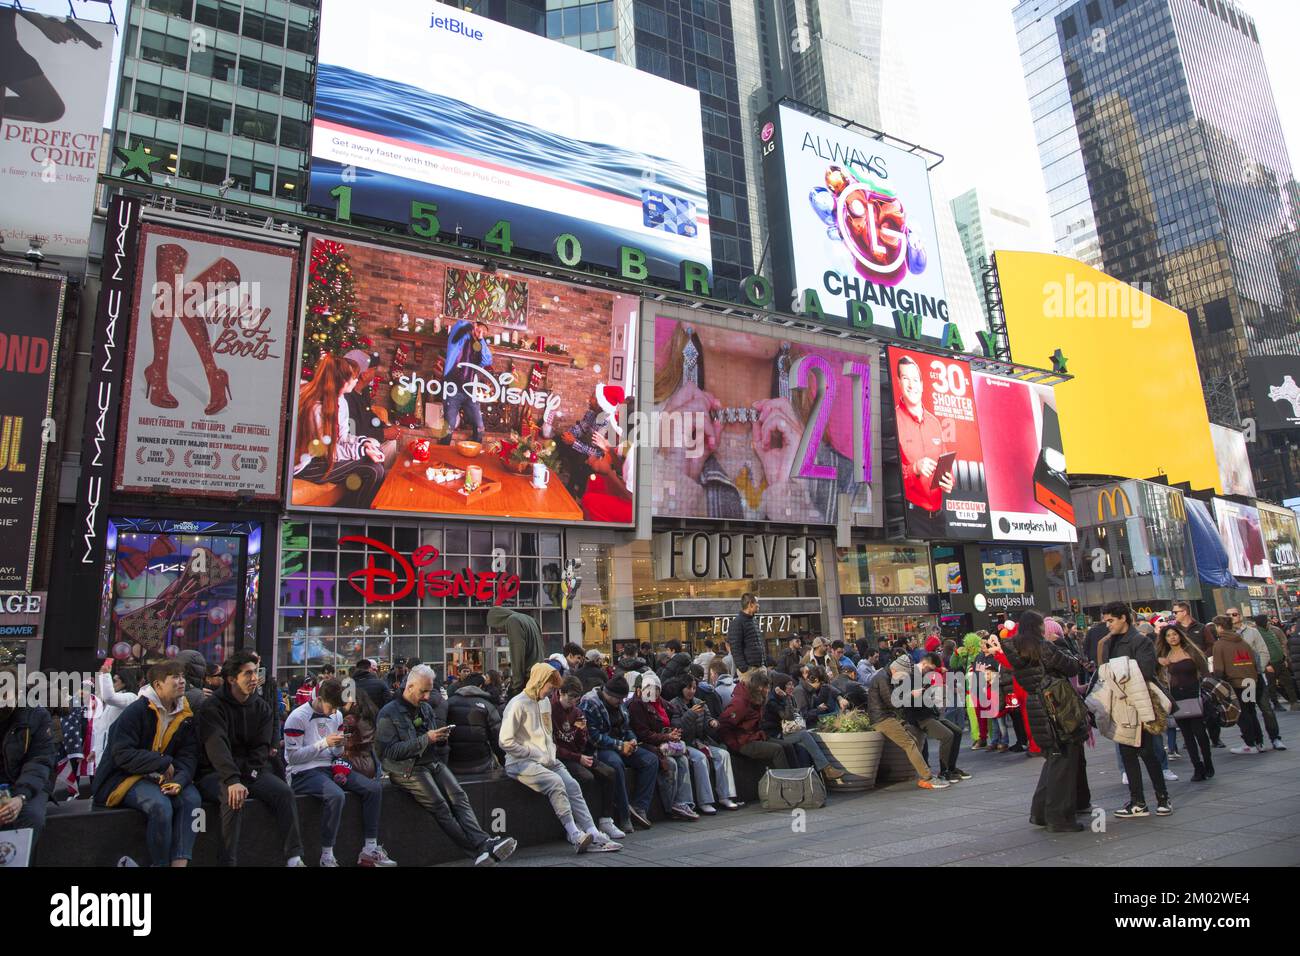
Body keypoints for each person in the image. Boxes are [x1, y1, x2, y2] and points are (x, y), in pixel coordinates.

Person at [377, 664, 517, 866]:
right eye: (423, 691)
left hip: (431, 761)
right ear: (409, 687)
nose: (427, 697)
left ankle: (484, 843)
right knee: (441, 806)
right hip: (406, 769)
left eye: (429, 691)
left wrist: (441, 738)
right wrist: (427, 739)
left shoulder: (425, 708)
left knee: (459, 797)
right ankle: (478, 849)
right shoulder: (389, 712)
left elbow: (433, 739)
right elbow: (388, 752)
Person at [196, 650, 305, 866]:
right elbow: (217, 747)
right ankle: (228, 862)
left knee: (284, 793)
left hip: (250, 771)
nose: (254, 678)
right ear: (231, 678)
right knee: (233, 799)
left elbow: (261, 748)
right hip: (217, 771)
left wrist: (247, 775)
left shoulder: (261, 707)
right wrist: (233, 780)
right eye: (247, 674)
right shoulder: (212, 707)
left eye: (255, 672)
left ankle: (294, 857)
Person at [501, 664, 620, 853]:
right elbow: (505, 741)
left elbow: (548, 734)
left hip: (547, 759)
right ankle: (574, 833)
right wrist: (533, 753)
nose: (552, 692)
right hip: (520, 762)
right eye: (550, 687)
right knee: (556, 783)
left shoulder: (545, 702)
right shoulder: (517, 704)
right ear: (540, 683)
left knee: (572, 785)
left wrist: (548, 753)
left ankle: (591, 830)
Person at [91, 661, 200, 867]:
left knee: (192, 799)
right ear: (158, 685)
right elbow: (122, 754)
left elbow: (189, 755)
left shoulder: (186, 715)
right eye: (174, 677)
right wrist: (160, 762)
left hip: (162, 777)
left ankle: (180, 861)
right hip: (123, 778)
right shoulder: (137, 710)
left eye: (182, 676)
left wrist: (180, 780)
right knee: (160, 806)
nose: (182, 681)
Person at [284, 677, 395, 867]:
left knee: (374, 789)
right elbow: (293, 758)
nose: (335, 712)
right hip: (303, 771)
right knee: (336, 796)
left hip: (330, 765)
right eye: (332, 707)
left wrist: (338, 746)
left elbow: (336, 752)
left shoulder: (336, 716)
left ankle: (370, 848)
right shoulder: (297, 716)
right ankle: (327, 856)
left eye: (338, 708)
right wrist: (324, 743)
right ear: (320, 699)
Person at [997, 614, 1087, 832]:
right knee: (1063, 760)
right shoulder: (1044, 647)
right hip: (1056, 705)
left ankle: (1040, 813)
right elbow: (1072, 667)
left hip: (1036, 705)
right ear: (1038, 627)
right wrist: (1062, 643)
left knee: (1054, 759)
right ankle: (1059, 818)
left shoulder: (1015, 649)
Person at [1095, 603, 1171, 819]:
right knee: (1127, 754)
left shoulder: (1140, 641)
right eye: (1106, 621)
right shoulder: (1109, 643)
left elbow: (1146, 671)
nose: (1107, 625)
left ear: (1123, 619)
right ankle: (1138, 801)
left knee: (1148, 752)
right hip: (1121, 705)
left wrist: (1116, 672)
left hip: (1141, 702)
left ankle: (1162, 798)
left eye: (1111, 620)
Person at [293, 353, 385, 508]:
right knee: (373, 470)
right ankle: (354, 518)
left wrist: (364, 443)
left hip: (325, 456)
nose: (357, 379)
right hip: (309, 464)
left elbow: (342, 436)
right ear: (343, 381)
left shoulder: (341, 401)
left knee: (375, 461)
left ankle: (353, 509)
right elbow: (326, 451)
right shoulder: (316, 409)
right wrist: (361, 451)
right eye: (354, 377)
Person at [552, 676, 630, 839]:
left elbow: (582, 742)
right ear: (561, 693)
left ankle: (606, 819)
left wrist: (582, 732)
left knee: (609, 773)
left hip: (578, 754)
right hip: (561, 757)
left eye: (576, 699)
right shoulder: (551, 710)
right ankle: (578, 823)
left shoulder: (577, 712)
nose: (573, 702)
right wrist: (577, 757)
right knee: (585, 778)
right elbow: (553, 747)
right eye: (570, 698)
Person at [580, 676, 658, 830]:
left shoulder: (620, 704)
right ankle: (624, 814)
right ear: (609, 694)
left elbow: (626, 727)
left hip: (622, 743)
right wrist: (620, 745)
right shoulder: (590, 703)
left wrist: (632, 740)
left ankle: (640, 807)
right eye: (619, 699)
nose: (622, 702)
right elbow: (593, 737)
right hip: (600, 748)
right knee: (616, 764)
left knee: (651, 760)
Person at [894, 352, 956, 537]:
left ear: (922, 384)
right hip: (913, 516)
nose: (911, 385)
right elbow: (889, 474)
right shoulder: (894, 419)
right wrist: (914, 468)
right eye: (906, 379)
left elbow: (944, 463)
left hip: (939, 516)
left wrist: (948, 481)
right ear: (899, 382)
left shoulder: (934, 423)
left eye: (915, 379)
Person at [864, 655, 950, 790]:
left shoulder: (885, 675)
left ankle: (924, 773)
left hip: (886, 716)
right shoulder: (882, 678)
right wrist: (911, 694)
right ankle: (927, 777)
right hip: (882, 719)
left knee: (912, 740)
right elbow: (893, 702)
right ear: (897, 670)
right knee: (909, 744)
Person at [628, 671, 702, 820]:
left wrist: (672, 733)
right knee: (671, 764)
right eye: (649, 688)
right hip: (648, 745)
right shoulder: (637, 704)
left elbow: (673, 719)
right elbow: (644, 734)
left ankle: (683, 802)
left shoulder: (662, 703)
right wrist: (667, 736)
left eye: (656, 688)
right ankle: (671, 805)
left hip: (665, 742)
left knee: (683, 760)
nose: (652, 692)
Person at [666, 676, 744, 811]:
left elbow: (708, 720)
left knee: (723, 754)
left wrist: (712, 723)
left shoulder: (700, 702)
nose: (691, 691)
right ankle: (705, 801)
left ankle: (726, 796)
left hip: (701, 741)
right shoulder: (674, 704)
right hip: (684, 743)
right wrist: (690, 714)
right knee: (700, 758)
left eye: (694, 688)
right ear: (681, 689)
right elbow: (676, 728)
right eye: (688, 688)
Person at [762, 672, 845, 785]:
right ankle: (826, 769)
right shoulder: (773, 700)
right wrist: (787, 699)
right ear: (780, 686)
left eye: (792, 684)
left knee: (804, 742)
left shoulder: (784, 697)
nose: (792, 687)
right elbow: (788, 717)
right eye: (789, 685)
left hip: (784, 732)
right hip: (774, 735)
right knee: (804, 735)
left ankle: (813, 780)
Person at [1156, 623, 1214, 782]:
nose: (1172, 638)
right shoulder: (1164, 655)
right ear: (1164, 639)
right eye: (1168, 635)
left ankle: (1208, 763)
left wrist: (1208, 689)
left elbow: (1205, 672)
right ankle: (1197, 767)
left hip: (1194, 694)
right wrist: (1158, 662)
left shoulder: (1191, 651)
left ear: (1180, 635)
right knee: (1187, 736)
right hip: (1176, 698)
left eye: (1174, 634)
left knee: (1200, 733)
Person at [901, 656, 971, 785]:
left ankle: (951, 768)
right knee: (947, 735)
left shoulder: (921, 674)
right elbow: (905, 700)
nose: (931, 672)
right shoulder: (910, 675)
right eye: (930, 669)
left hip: (929, 713)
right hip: (919, 717)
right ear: (924, 663)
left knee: (957, 731)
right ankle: (944, 771)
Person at [717, 669, 803, 770]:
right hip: (743, 742)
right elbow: (723, 724)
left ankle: (798, 775)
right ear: (759, 688)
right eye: (767, 687)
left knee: (788, 746)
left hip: (756, 736)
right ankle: (787, 781)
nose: (768, 690)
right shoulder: (740, 703)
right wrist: (735, 746)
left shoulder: (757, 700)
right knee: (777, 750)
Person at [1211, 616, 1267, 755]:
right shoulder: (1243, 642)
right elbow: (1255, 661)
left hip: (1235, 683)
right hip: (1250, 680)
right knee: (1251, 712)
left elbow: (1219, 669)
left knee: (1242, 714)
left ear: (1219, 627)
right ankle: (1259, 742)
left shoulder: (1219, 644)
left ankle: (1250, 743)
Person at [1232, 610, 1284, 750]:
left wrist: (1259, 669)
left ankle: (1275, 738)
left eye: (1235, 614)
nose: (1232, 617)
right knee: (1249, 711)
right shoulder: (1228, 636)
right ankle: (1258, 741)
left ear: (1240, 616)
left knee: (1266, 708)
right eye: (1228, 615)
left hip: (1257, 676)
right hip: (1242, 680)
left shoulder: (1252, 632)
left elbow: (1263, 651)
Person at [437, 319, 492, 444]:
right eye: (480, 328)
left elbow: (488, 360)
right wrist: (470, 327)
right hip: (452, 389)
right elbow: (459, 326)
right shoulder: (457, 340)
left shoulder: (479, 346)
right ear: (475, 326)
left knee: (480, 428)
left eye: (484, 333)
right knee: (448, 428)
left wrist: (481, 339)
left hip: (470, 392)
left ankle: (473, 455)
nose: (480, 332)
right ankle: (441, 457)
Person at [445, 672, 504, 775]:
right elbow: (497, 738)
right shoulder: (487, 705)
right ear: (481, 686)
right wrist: (504, 762)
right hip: (481, 762)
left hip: (452, 762)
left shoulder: (448, 703)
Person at [487, 607, 545, 698]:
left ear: (499, 619)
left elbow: (517, 653)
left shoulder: (512, 621)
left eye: (496, 626)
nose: (499, 630)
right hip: (539, 674)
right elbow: (541, 646)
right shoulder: (530, 619)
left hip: (528, 678)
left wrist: (516, 685)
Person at [730, 593, 765, 673]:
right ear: (750, 604)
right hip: (749, 671)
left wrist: (764, 663)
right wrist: (744, 668)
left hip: (760, 668)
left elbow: (759, 643)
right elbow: (735, 648)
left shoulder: (754, 621)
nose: (758, 605)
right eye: (756, 603)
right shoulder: (737, 622)